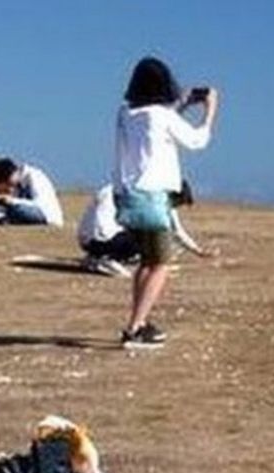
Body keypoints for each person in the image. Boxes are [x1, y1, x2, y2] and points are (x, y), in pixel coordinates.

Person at [113, 56, 219, 349]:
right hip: (155, 199)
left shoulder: (125, 114)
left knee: (146, 263)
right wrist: (209, 111)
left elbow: (152, 123)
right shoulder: (162, 116)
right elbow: (197, 140)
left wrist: (183, 103)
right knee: (160, 265)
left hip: (129, 195)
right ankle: (135, 327)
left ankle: (139, 322)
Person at [78, 181, 213, 278]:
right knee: (152, 238)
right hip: (105, 238)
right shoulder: (150, 199)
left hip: (86, 240)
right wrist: (198, 251)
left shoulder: (122, 186)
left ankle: (95, 257)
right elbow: (176, 231)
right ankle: (109, 260)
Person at [0, 157, 64, 227]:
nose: (10, 188)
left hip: (47, 215)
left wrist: (12, 200)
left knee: (15, 209)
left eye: (8, 184)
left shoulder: (33, 177)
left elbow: (38, 205)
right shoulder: (20, 182)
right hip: (37, 212)